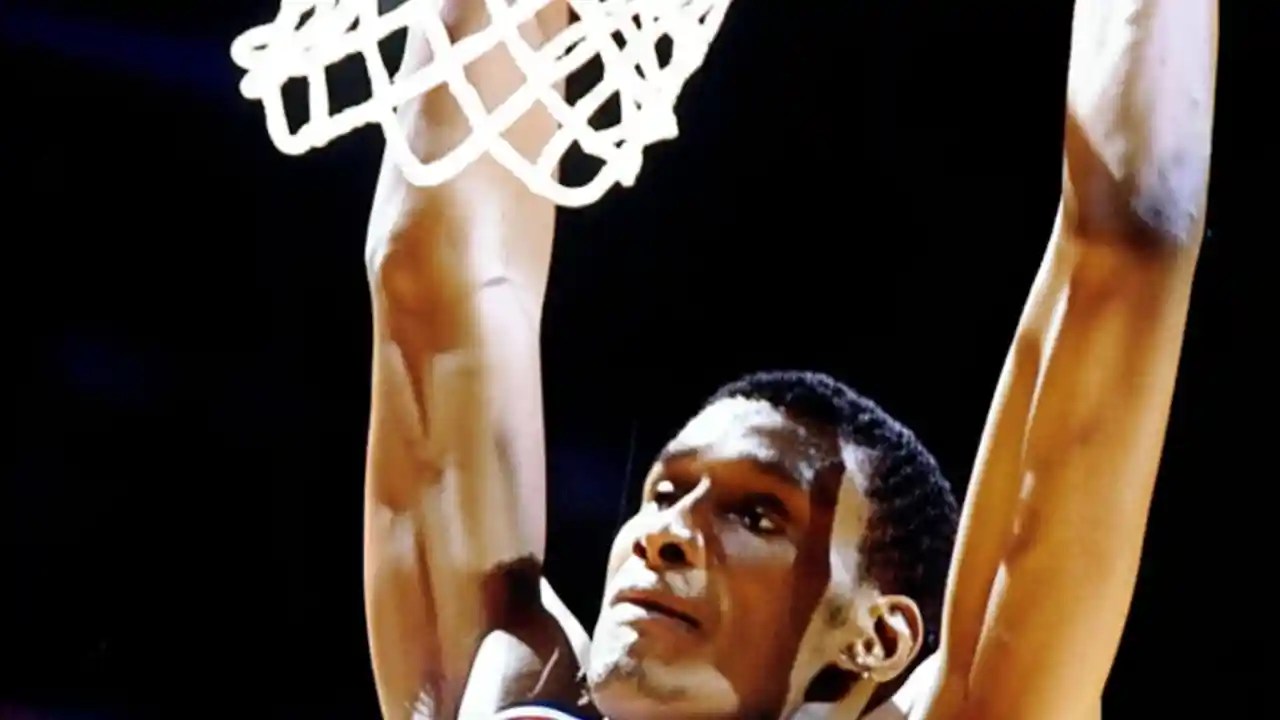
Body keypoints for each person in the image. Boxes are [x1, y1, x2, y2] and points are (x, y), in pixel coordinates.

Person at [359, 0, 1218, 715]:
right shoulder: (506, 688)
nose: (664, 535)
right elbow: (433, 280)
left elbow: (1127, 247)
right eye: (665, 492)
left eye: (758, 514)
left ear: (877, 638)